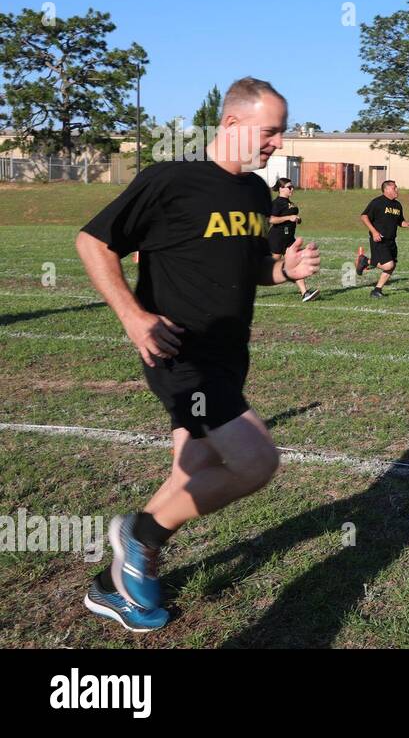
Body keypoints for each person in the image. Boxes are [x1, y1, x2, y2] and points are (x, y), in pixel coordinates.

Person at [76, 77, 320, 632]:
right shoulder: (171, 179)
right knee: (256, 460)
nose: (278, 144)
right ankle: (139, 536)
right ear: (231, 124)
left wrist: (285, 270)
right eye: (271, 131)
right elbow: (94, 242)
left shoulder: (255, 193)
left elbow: (249, 266)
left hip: (228, 354)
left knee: (198, 468)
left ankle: (115, 588)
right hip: (179, 352)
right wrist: (133, 316)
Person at [357, 180, 409, 298]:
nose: (397, 190)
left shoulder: (397, 205)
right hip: (379, 239)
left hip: (391, 240)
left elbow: (400, 221)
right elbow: (364, 216)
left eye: (396, 187)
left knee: (392, 265)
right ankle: (365, 261)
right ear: (386, 190)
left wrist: (407, 224)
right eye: (394, 188)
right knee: (388, 265)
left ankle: (377, 290)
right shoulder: (377, 202)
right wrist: (374, 232)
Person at [269, 178, 319, 302]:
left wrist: (297, 219)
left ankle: (305, 293)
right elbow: (271, 219)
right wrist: (288, 217)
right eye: (289, 187)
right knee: (269, 268)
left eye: (292, 187)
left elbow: (291, 217)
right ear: (281, 189)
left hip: (289, 239)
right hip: (277, 238)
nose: (292, 189)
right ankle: (244, 287)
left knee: (296, 263)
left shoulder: (289, 203)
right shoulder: (277, 203)